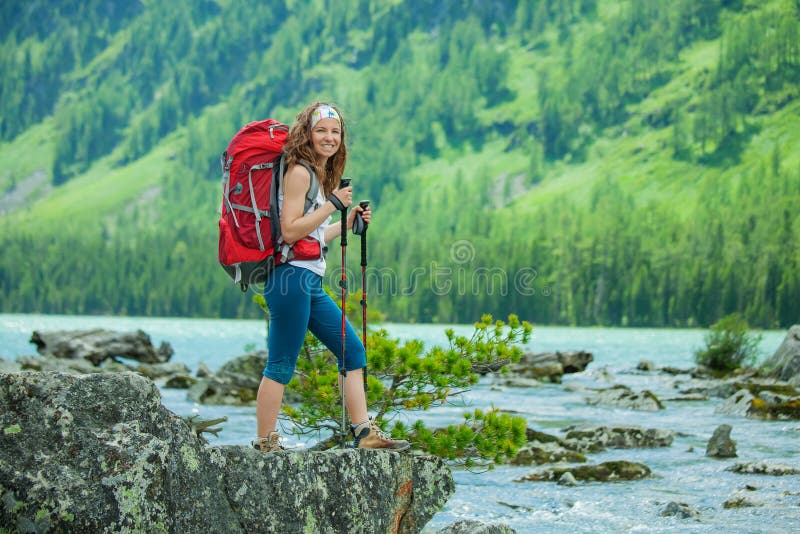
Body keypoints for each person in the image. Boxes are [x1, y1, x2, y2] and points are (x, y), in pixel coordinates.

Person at [253, 102, 410, 453]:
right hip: (289, 279)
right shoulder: (299, 173)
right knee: (281, 362)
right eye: (321, 130)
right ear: (307, 134)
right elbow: (290, 232)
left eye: (335, 132)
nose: (329, 137)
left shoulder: (319, 177)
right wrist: (332, 205)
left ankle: (364, 433)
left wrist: (345, 221)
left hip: (307, 281)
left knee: (352, 352)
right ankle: (265, 442)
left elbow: (313, 237)